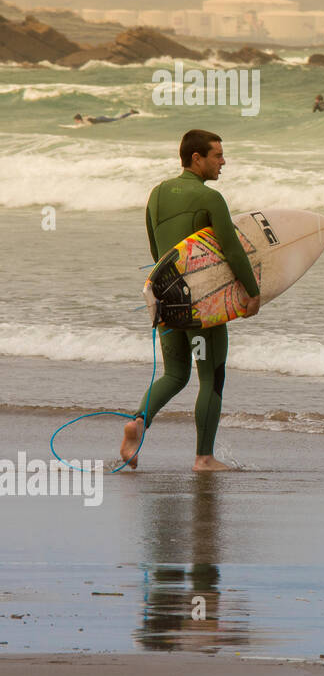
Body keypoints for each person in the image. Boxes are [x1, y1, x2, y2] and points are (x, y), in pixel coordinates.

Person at [119, 130, 261, 472]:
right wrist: (252, 292)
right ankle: (203, 458)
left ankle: (138, 422)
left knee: (175, 374)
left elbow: (158, 253)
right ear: (196, 158)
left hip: (164, 301)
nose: (223, 161)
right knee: (211, 376)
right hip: (201, 309)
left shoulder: (156, 194)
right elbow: (231, 249)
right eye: (217, 155)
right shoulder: (211, 199)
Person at [74, 109, 138, 125]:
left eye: (75, 120)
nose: (75, 121)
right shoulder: (83, 120)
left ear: (78, 119)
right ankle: (131, 112)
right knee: (117, 118)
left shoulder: (85, 120)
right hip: (101, 118)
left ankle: (131, 113)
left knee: (119, 119)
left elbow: (90, 124)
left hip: (103, 119)